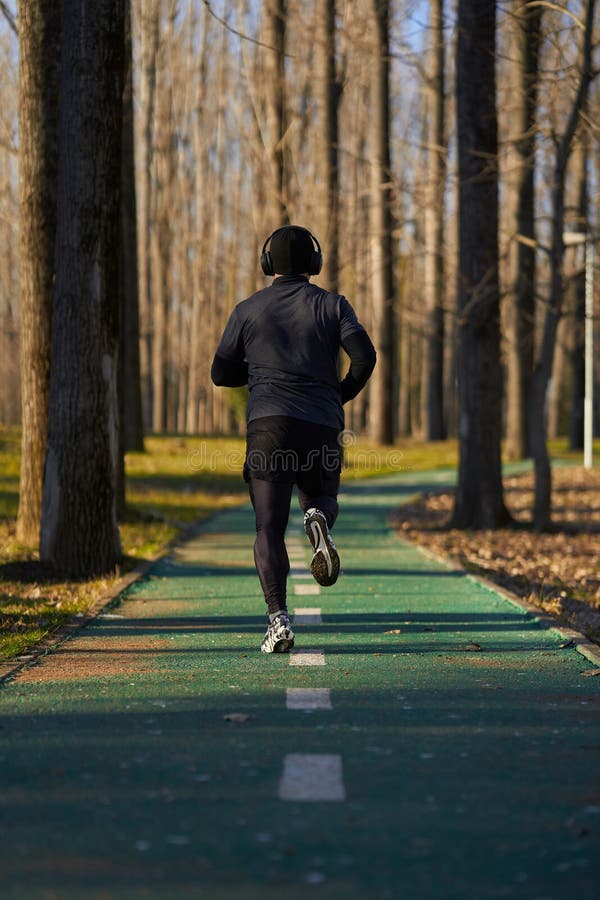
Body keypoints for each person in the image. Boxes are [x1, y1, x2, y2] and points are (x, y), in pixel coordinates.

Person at [211, 225, 376, 653]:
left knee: (269, 526)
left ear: (268, 265)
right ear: (314, 265)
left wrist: (261, 374)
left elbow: (220, 373)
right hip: (321, 423)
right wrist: (338, 393)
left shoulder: (247, 310)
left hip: (270, 426)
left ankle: (279, 620)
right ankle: (318, 519)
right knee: (320, 500)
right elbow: (365, 357)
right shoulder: (334, 305)